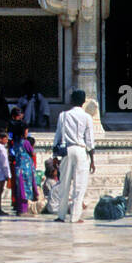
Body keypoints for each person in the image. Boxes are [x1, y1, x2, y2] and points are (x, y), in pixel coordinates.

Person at [52, 89, 96, 223]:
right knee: (79, 184)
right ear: (83, 102)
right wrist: (92, 160)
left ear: (72, 101)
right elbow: (90, 141)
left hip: (66, 150)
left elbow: (58, 136)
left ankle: (61, 215)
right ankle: (75, 216)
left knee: (64, 183)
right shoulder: (87, 117)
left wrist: (54, 155)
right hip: (81, 151)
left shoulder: (63, 115)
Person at [9, 122, 38, 214]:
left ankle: (19, 208)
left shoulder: (15, 142)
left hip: (18, 167)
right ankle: (23, 210)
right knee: (25, 189)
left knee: (20, 188)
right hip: (26, 169)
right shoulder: (25, 142)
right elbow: (32, 152)